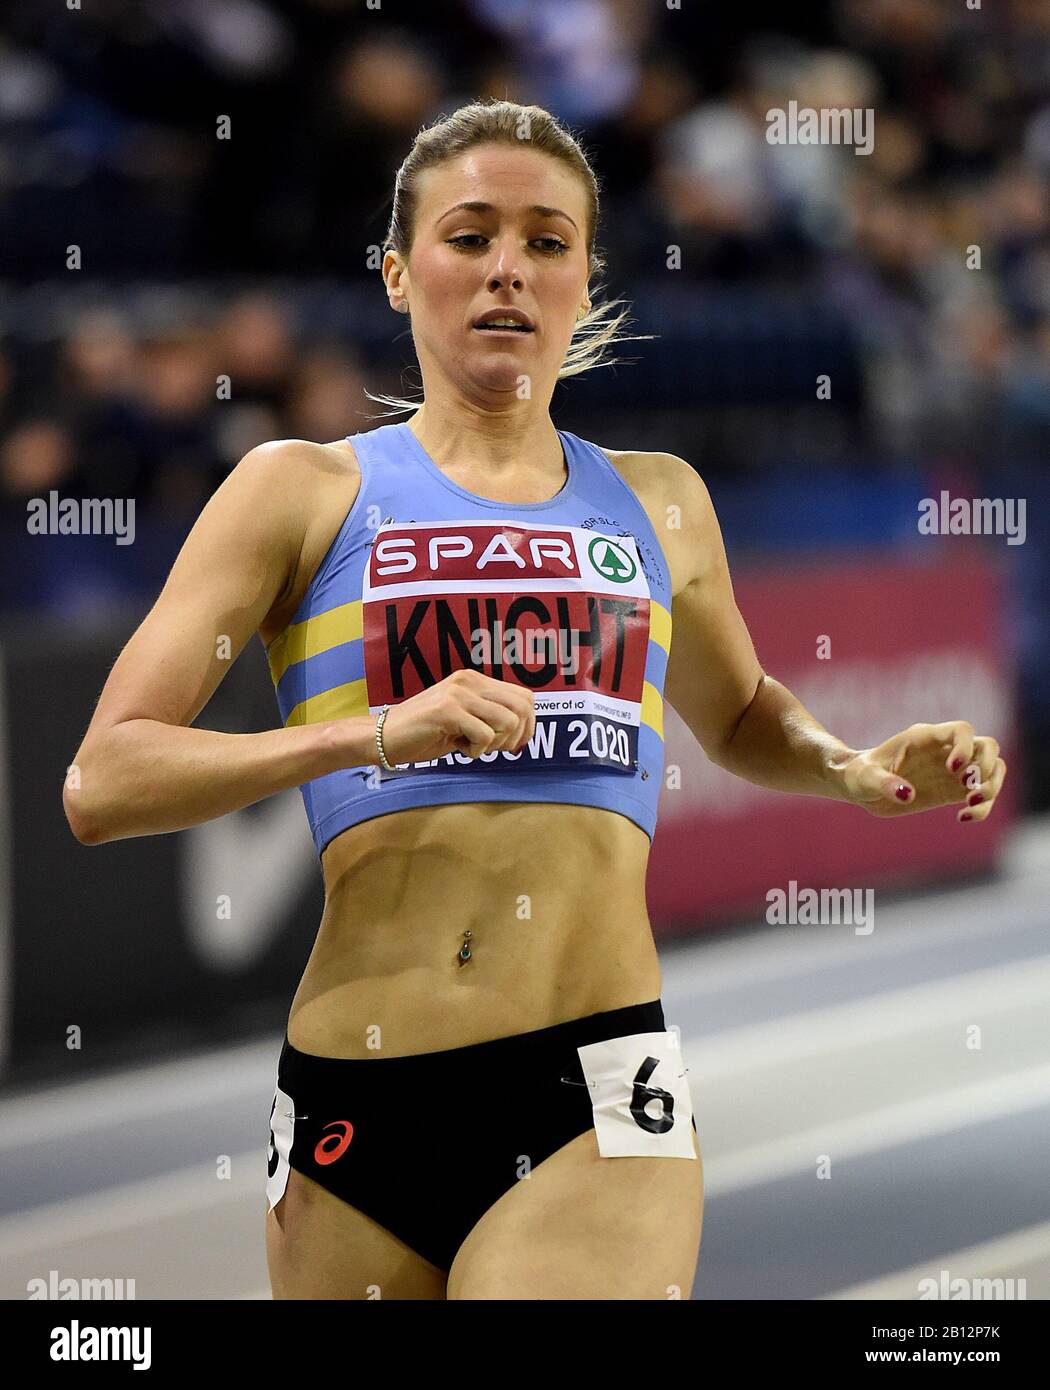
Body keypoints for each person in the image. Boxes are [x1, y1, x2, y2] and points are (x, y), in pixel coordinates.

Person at [62, 100, 1007, 1301]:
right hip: (352, 1092)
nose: (508, 265)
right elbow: (104, 781)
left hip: (593, 1088)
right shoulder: (298, 494)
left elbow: (737, 711)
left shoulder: (660, 501)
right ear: (400, 276)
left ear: (583, 277)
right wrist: (374, 733)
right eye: (469, 236)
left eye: (546, 240)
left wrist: (849, 764)